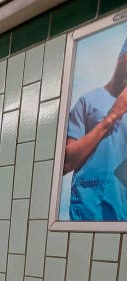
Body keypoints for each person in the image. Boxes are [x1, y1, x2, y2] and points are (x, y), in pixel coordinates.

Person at [64, 36, 127, 221]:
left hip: (121, 213)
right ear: (122, 57)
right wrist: (111, 117)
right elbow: (66, 163)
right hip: (87, 210)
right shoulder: (87, 102)